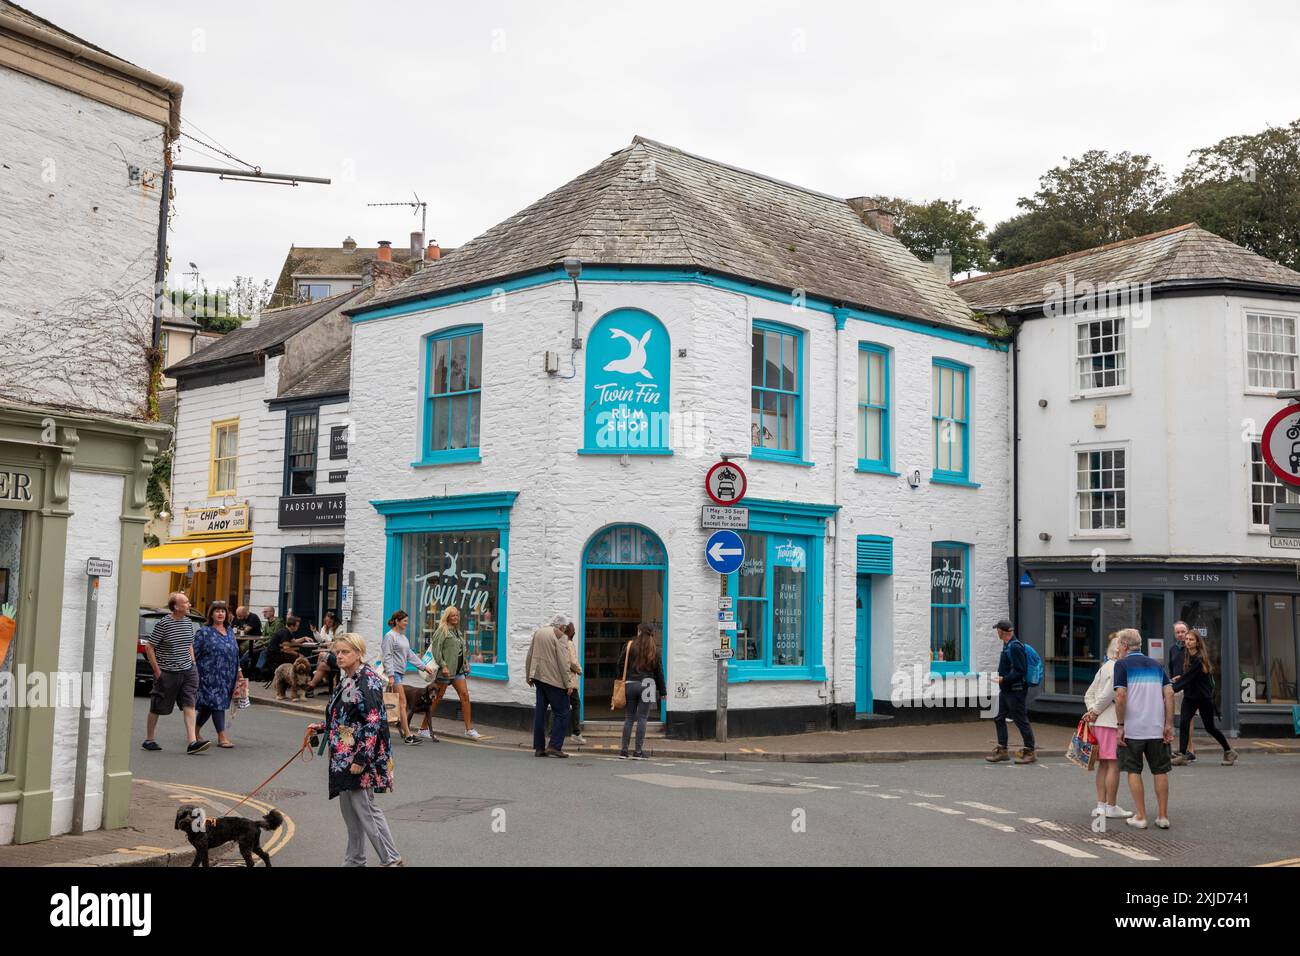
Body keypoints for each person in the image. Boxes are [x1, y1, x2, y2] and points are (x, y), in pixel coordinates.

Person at [308, 633, 402, 867]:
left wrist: (361, 758)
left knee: (366, 811)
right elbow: (345, 717)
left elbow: (373, 722)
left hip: (359, 757)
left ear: (359, 654)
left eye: (345, 652)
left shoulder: (367, 680)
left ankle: (392, 859)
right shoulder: (348, 678)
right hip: (343, 756)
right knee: (351, 816)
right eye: (337, 652)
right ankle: (355, 861)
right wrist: (321, 727)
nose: (339, 656)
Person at [1113, 628, 1175, 830]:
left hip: (1133, 729)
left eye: (1118, 645)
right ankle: (1163, 816)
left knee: (1133, 770)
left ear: (1124, 645)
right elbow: (1169, 694)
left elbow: (1120, 696)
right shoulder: (1156, 665)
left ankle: (1141, 816)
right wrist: (1168, 724)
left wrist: (1120, 725)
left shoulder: (1121, 665)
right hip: (1156, 728)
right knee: (1160, 770)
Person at [141, 592, 209, 755]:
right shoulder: (164, 624)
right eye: (186, 603)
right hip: (168, 672)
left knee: (189, 704)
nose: (189, 605)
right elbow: (149, 647)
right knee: (157, 705)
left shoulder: (188, 622)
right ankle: (149, 739)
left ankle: (192, 742)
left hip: (188, 670)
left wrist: (193, 663)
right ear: (177, 607)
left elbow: (189, 644)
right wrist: (157, 671)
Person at [1082, 635, 1134, 820]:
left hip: (1098, 723)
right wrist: (1095, 711)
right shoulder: (1117, 667)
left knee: (1103, 764)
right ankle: (1111, 806)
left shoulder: (1104, 667)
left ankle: (1101, 805)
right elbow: (1108, 694)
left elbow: (1089, 694)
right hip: (1111, 721)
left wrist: (1092, 711)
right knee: (1114, 764)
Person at [1171, 631, 1237, 766]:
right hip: (1190, 697)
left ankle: (1229, 751)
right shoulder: (1187, 656)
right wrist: (1180, 678)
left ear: (1197, 642)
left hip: (1203, 698)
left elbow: (1189, 677)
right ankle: (1183, 755)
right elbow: (1189, 676)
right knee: (1184, 723)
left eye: (1191, 639)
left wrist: (1172, 688)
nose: (1188, 641)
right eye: (1187, 639)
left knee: (1210, 728)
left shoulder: (1199, 659)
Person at [526, 614, 580, 757]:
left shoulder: (539, 632)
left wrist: (528, 676)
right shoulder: (560, 636)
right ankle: (555, 746)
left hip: (538, 678)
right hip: (553, 680)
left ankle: (539, 748)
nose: (565, 630)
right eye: (565, 627)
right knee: (563, 712)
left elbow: (530, 654)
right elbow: (564, 662)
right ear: (562, 626)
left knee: (540, 713)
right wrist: (569, 683)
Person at [381, 610, 436, 745]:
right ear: (397, 621)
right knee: (403, 703)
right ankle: (408, 735)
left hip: (399, 673)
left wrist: (424, 667)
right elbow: (387, 656)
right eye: (404, 621)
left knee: (396, 705)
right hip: (394, 674)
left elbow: (410, 655)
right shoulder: (390, 636)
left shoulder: (403, 638)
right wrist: (391, 675)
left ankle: (383, 730)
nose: (406, 623)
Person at [986, 620, 1036, 764]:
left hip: (1016, 691)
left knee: (1021, 721)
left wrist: (1004, 679)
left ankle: (1030, 751)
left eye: (998, 630)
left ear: (1002, 632)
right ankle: (1002, 751)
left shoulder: (1015, 647)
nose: (997, 632)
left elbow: (1021, 671)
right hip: (1007, 690)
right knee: (999, 718)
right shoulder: (1008, 645)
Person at [193, 601, 242, 749]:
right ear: (211, 614)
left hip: (227, 675)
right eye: (217, 611)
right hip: (209, 675)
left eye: (223, 611)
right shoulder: (204, 632)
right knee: (217, 703)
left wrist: (239, 672)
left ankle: (194, 731)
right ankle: (222, 736)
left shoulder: (230, 631)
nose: (220, 613)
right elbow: (193, 653)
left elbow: (235, 653)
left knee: (209, 706)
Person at [428, 606, 481, 739]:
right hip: (446, 671)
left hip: (458, 671)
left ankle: (469, 729)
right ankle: (424, 727)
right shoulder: (442, 631)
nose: (456, 618)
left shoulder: (457, 632)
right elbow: (436, 650)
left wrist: (466, 663)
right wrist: (443, 665)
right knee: (437, 698)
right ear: (447, 617)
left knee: (465, 696)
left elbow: (461, 651)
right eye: (453, 616)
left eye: (457, 615)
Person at [617, 623, 666, 760]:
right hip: (648, 684)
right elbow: (659, 672)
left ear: (639, 632)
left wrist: (625, 677)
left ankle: (624, 751)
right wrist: (662, 691)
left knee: (629, 718)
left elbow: (620, 664)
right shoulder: (655, 650)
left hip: (631, 683)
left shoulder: (629, 646)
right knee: (643, 718)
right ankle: (638, 752)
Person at [1168, 621, 1195, 760]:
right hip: (1176, 687)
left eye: (1183, 632)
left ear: (1188, 631)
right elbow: (1171, 667)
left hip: (1190, 688)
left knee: (1188, 719)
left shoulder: (1192, 649)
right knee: (1171, 717)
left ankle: (1190, 750)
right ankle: (1176, 749)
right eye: (1177, 632)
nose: (1180, 635)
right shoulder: (1173, 649)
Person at [564, 621, 587, 745]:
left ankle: (552, 733)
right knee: (576, 704)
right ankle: (576, 733)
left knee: (560, 706)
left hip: (561, 679)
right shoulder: (569, 643)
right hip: (570, 680)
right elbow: (572, 662)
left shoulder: (560, 642)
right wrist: (580, 670)